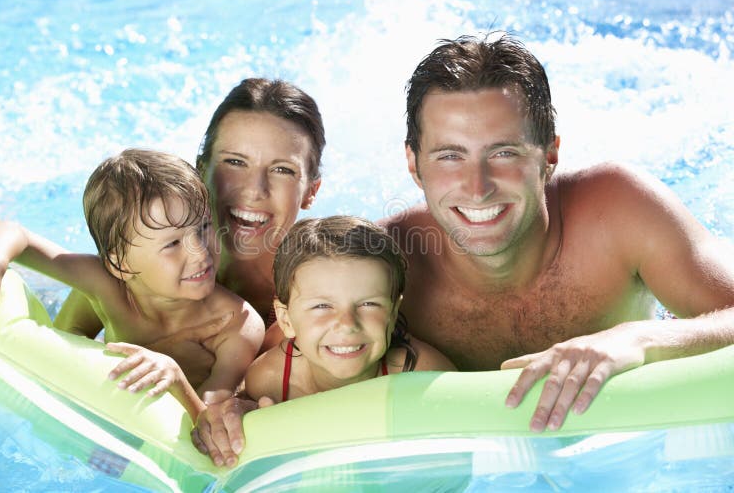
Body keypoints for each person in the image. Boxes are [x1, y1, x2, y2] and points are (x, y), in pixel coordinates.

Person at [192, 33, 734, 466]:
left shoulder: (620, 210)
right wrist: (236, 408)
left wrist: (641, 339)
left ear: (549, 156)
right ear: (413, 163)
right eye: (449, 155)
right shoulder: (382, 265)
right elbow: (286, 355)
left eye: (502, 153)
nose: (476, 187)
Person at [0, 149, 265, 413]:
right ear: (120, 264)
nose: (200, 253)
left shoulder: (236, 325)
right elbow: (13, 233)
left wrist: (175, 375)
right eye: (173, 244)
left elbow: (210, 420)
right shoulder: (110, 283)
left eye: (203, 228)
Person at [55, 78, 325, 385]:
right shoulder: (135, 265)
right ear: (199, 170)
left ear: (310, 192)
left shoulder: (310, 306)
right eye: (235, 162)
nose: (254, 190)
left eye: (282, 170)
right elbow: (54, 355)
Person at [243, 216, 454, 404]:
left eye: (368, 304)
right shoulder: (269, 381)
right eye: (322, 306)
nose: (347, 324)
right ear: (286, 320)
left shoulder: (425, 376)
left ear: (393, 312)